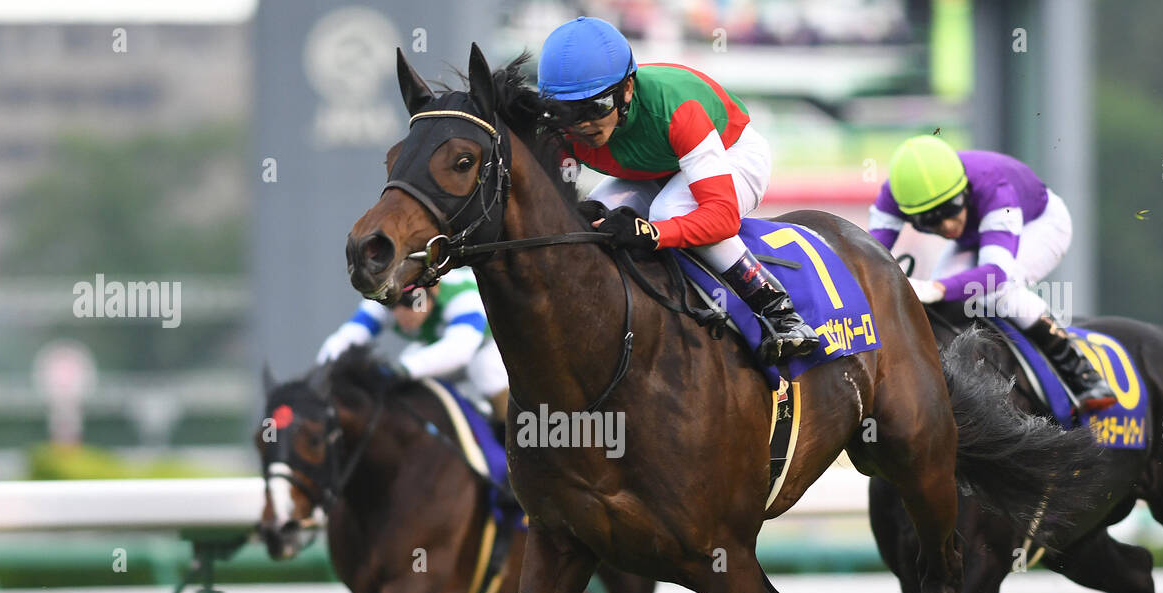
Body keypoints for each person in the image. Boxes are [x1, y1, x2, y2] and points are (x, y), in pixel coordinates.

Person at [537, 15, 818, 363]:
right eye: (566, 112)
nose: (581, 125)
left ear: (627, 88)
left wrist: (652, 233)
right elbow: (561, 198)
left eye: (596, 107)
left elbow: (721, 218)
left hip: (733, 153)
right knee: (593, 215)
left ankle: (780, 312)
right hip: (659, 168)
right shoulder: (558, 128)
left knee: (669, 212)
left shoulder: (677, 110)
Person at [868, 134, 1115, 413]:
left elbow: (995, 274)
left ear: (964, 191)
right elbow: (868, 254)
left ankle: (1082, 375)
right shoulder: (892, 196)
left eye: (950, 209)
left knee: (997, 293)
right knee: (941, 303)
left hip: (1040, 224)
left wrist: (935, 287)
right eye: (930, 220)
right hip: (975, 235)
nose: (947, 225)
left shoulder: (995, 187)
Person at [317, 266, 509, 420]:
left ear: (434, 287)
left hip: (490, 345)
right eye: (392, 302)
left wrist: (402, 370)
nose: (401, 312)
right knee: (407, 372)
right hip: (441, 347)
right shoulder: (384, 304)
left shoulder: (462, 296)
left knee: (486, 370)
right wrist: (321, 376)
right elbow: (347, 337)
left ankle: (509, 441)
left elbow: (460, 349)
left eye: (411, 300)